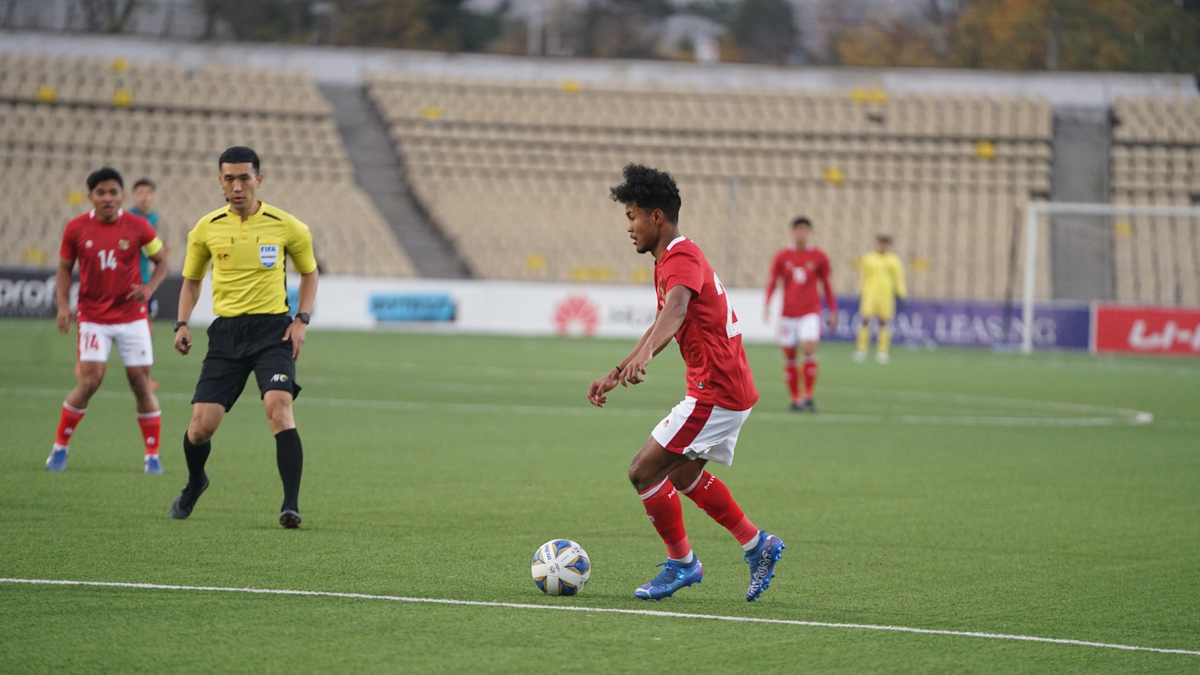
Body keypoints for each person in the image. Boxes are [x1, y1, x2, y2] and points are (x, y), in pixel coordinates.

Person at [588, 164, 784, 602]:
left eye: (632, 216)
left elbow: (676, 311)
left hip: (716, 392)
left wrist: (643, 357)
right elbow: (665, 318)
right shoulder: (673, 259)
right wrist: (617, 373)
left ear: (657, 217)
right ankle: (758, 544)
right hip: (725, 388)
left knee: (643, 471)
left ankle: (683, 563)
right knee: (682, 474)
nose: (629, 227)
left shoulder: (680, 256)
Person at [170, 146, 319, 529]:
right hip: (226, 335)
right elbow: (191, 281)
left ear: (259, 180)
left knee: (279, 407)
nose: (237, 186)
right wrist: (182, 323)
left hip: (273, 331)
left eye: (245, 178)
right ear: (220, 182)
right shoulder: (206, 228)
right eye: (229, 178)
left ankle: (290, 506)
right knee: (200, 428)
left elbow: (310, 273)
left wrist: (301, 318)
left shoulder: (287, 225)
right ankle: (195, 481)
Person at [47, 167, 169, 474]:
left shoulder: (139, 226)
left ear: (122, 195)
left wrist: (149, 288)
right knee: (90, 380)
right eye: (101, 192)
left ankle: (152, 455)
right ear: (91, 197)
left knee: (141, 383)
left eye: (113, 192)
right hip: (93, 317)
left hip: (132, 317)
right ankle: (59, 449)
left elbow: (162, 262)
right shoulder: (75, 229)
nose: (108, 198)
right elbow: (64, 268)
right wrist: (62, 305)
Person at [763, 216, 837, 412]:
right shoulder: (782, 256)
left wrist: (833, 309)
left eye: (804, 229)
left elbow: (827, 285)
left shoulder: (820, 257)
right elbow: (773, 281)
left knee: (808, 347)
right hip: (788, 313)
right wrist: (767, 303)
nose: (800, 233)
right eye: (797, 229)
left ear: (810, 232)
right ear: (791, 232)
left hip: (810, 311)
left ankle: (808, 395)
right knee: (789, 355)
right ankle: (795, 399)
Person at [129, 178, 163, 390]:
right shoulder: (128, 217)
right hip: (129, 281)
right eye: (141, 192)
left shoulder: (153, 217)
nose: (145, 196)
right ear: (134, 195)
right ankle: (85, 363)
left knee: (147, 328)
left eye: (149, 193)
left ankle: (145, 378)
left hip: (146, 281)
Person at [855, 234, 907, 364]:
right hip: (870, 294)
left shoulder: (894, 260)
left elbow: (898, 278)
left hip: (886, 295)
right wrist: (860, 291)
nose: (882, 246)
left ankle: (882, 351)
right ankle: (862, 350)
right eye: (880, 243)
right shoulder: (868, 258)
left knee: (883, 322)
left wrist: (901, 293)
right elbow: (864, 276)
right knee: (865, 320)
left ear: (889, 246)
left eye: (885, 244)